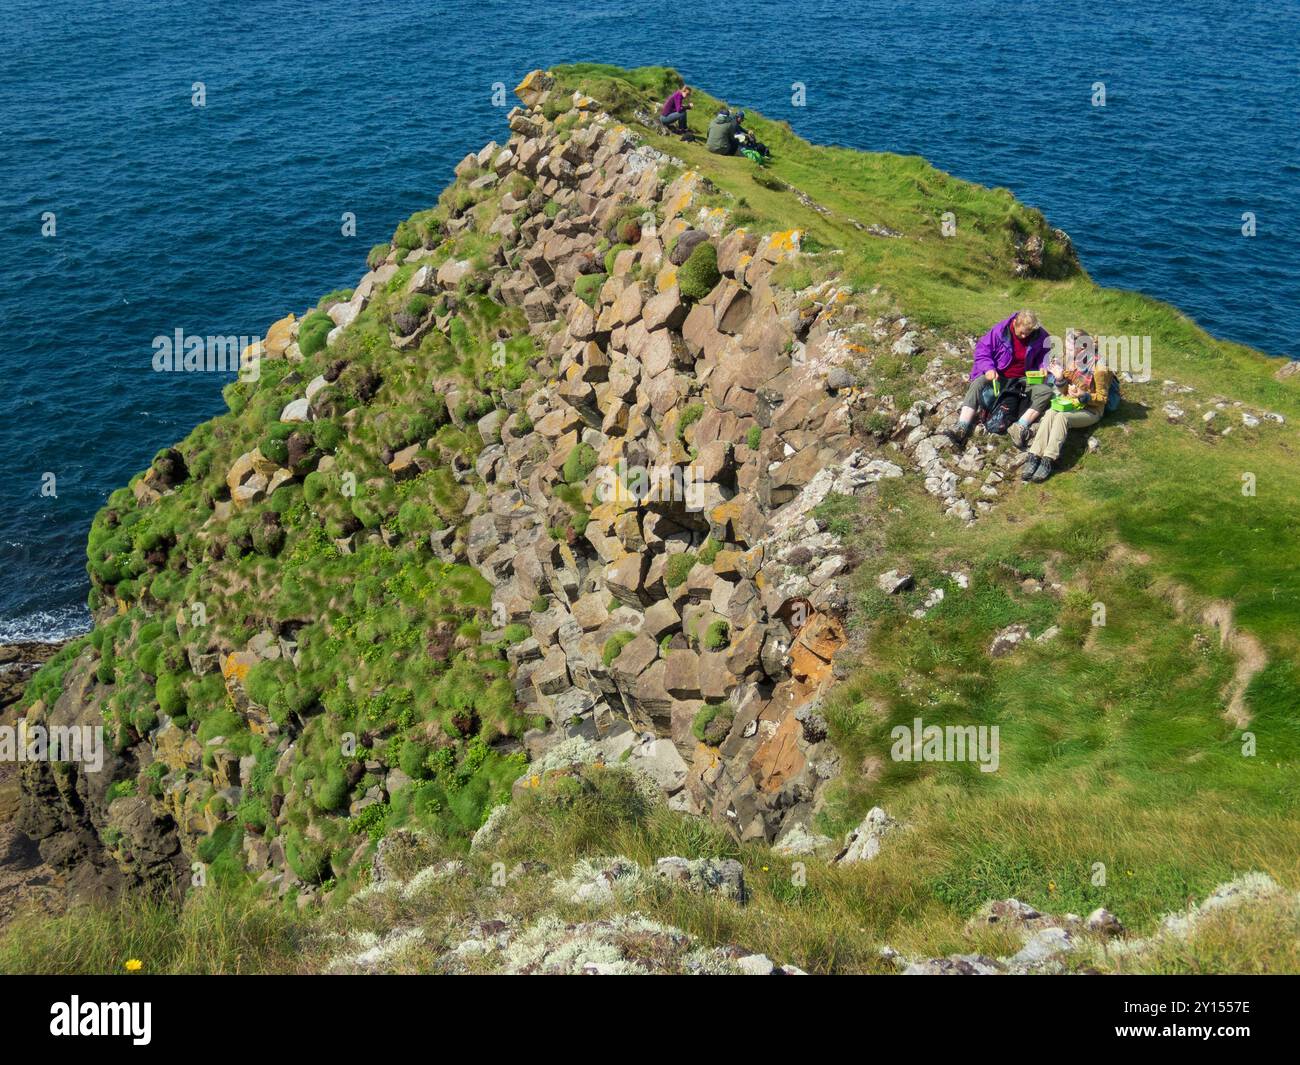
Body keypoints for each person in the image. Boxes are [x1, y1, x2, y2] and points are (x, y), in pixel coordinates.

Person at [942, 309, 1053, 449]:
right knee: (977, 384)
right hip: (999, 375)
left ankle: (1019, 427)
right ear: (1014, 323)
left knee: (1045, 391)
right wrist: (989, 368)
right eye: (1022, 332)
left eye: (1028, 333)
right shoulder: (1000, 331)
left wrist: (1043, 365)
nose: (1025, 336)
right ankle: (962, 426)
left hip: (1023, 379)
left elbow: (1047, 353)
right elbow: (982, 351)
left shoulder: (1040, 335)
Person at [1020, 329, 1113, 483]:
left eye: (1070, 348)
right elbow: (1064, 390)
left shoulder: (1099, 369)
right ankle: (1034, 456)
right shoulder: (1072, 362)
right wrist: (1059, 378)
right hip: (1070, 403)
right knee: (1051, 412)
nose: (1066, 351)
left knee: (1062, 417)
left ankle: (1048, 460)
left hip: (1091, 410)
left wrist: (1083, 396)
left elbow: (1102, 398)